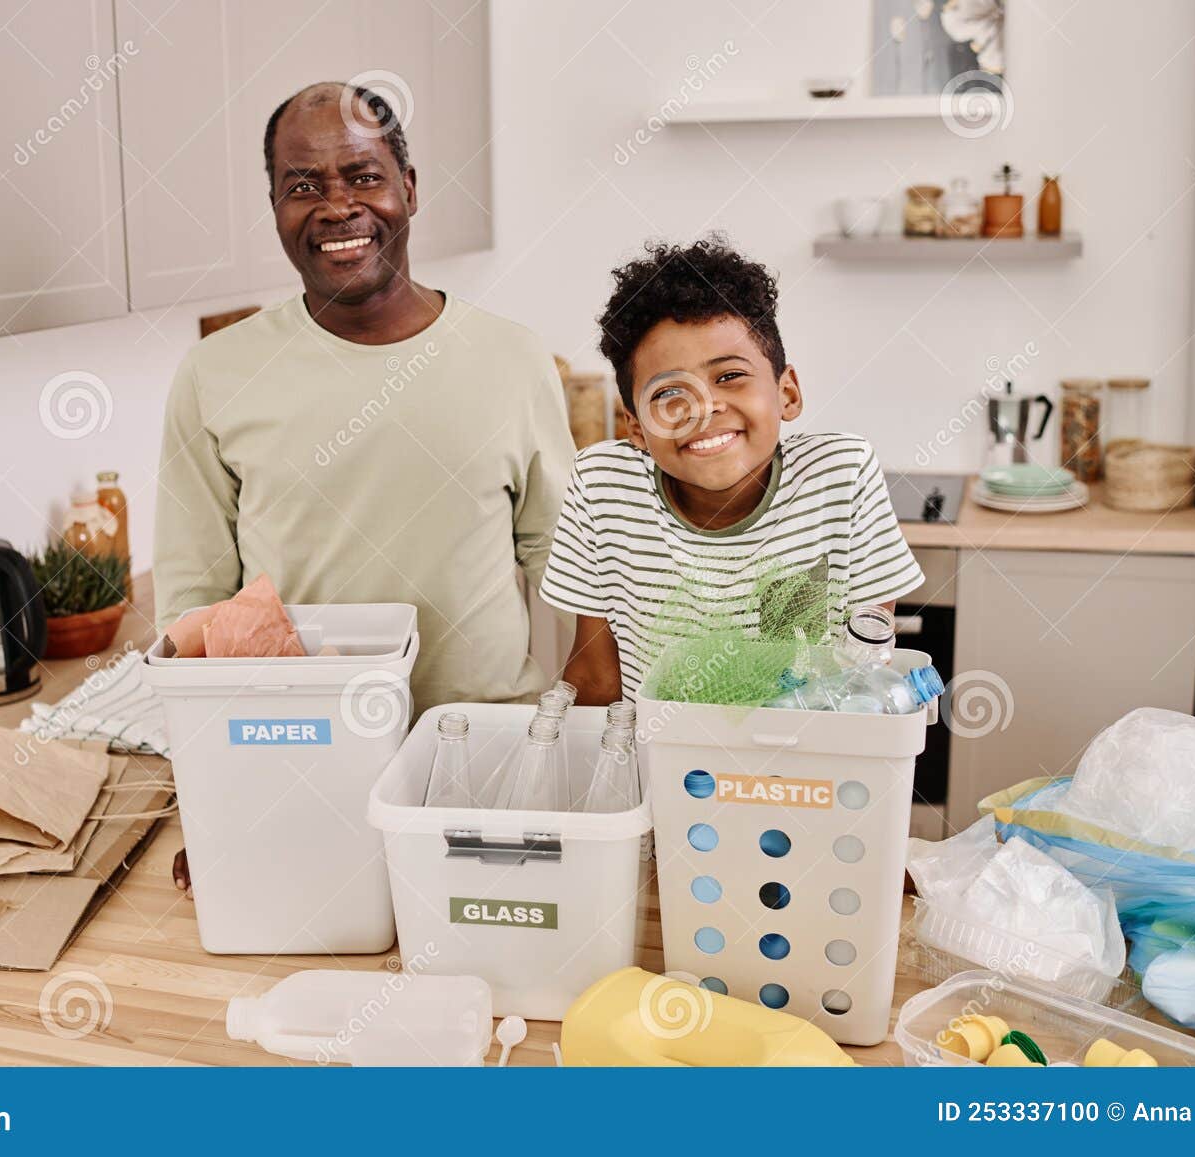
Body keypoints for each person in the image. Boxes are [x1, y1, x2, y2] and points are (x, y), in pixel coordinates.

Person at [155, 82, 574, 892]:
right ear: (274, 205)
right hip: (298, 764)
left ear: (409, 188)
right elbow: (193, 607)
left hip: (481, 762)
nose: (336, 206)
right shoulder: (217, 373)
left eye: (362, 175)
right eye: (302, 186)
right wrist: (213, 801)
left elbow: (574, 574)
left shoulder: (514, 360)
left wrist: (577, 758)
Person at [541, 237, 924, 703]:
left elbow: (867, 673)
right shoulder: (603, 485)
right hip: (655, 763)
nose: (703, 408)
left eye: (729, 376)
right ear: (636, 427)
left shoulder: (840, 476)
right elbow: (595, 679)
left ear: (788, 393)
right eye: (668, 393)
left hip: (805, 764)